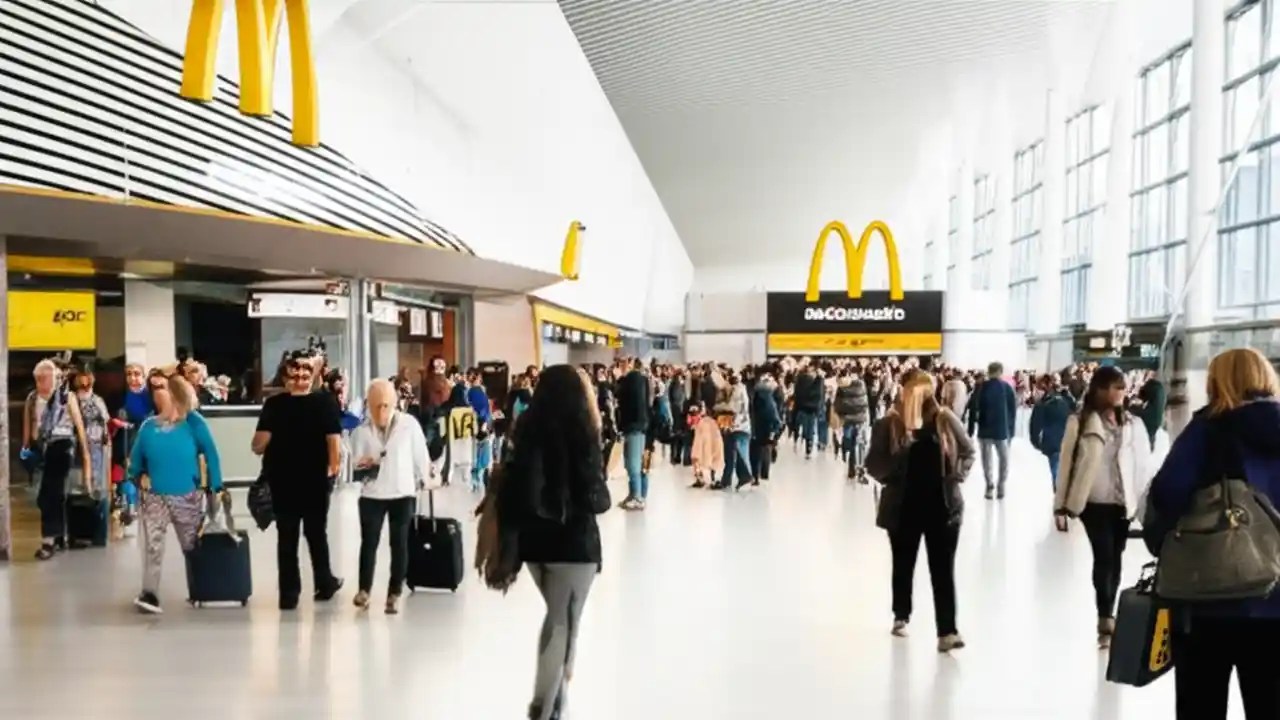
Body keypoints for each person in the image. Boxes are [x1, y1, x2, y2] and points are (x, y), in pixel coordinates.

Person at [1143, 348, 1280, 719]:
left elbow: (1167, 493)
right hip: (1276, 603)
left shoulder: (1207, 429)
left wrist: (1160, 541)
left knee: (1200, 705)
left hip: (1207, 596)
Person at [496, 365, 611, 720]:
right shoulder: (583, 431)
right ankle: (545, 705)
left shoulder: (526, 429)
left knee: (558, 615)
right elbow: (594, 494)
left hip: (534, 544)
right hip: (574, 544)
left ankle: (554, 702)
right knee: (564, 622)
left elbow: (514, 483)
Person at [866, 369, 974, 653]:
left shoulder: (944, 419)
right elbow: (874, 463)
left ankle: (947, 631)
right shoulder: (890, 423)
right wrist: (898, 464)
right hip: (903, 506)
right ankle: (901, 614)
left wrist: (956, 475)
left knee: (943, 569)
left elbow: (967, 450)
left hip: (942, 505)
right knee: (903, 563)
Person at [1053, 366, 1152, 649]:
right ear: (1100, 389)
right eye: (1115, 387)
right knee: (1104, 554)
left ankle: (1109, 609)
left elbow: (1142, 464)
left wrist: (1144, 501)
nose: (1121, 392)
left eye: (1123, 387)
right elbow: (1066, 463)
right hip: (1093, 501)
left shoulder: (1132, 423)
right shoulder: (1081, 421)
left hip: (1123, 502)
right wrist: (1061, 505)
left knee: (1116, 557)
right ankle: (1105, 615)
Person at [252, 351, 344, 610]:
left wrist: (274, 435)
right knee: (315, 534)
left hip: (284, 479)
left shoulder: (274, 405)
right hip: (311, 479)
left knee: (288, 536)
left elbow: (258, 445)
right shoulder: (324, 402)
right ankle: (323, 584)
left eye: (304, 372)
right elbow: (333, 440)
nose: (301, 377)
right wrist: (333, 470)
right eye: (299, 372)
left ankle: (289, 594)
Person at [127, 374, 223, 614]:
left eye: (163, 388)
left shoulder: (194, 423)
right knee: (152, 546)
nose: (157, 392)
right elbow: (135, 462)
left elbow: (212, 455)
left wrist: (216, 487)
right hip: (154, 496)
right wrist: (138, 477)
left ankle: (203, 588)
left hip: (186, 496)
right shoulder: (149, 427)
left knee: (191, 545)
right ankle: (149, 593)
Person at [350, 379, 431, 615]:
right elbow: (353, 463)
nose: (380, 411)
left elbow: (421, 455)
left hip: (402, 492)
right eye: (375, 405)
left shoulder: (409, 425)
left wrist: (425, 477)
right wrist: (363, 464)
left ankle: (394, 592)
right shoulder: (361, 431)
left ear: (394, 403)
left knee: (399, 543)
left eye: (385, 405)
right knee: (369, 543)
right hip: (372, 494)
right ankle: (364, 590)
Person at [30, 360, 93, 560]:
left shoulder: (66, 397)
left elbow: (79, 426)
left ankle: (49, 540)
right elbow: (34, 426)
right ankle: (58, 536)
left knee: (51, 492)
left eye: (45, 378)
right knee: (49, 495)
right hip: (44, 447)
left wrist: (85, 455)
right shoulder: (34, 398)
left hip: (62, 445)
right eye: (39, 379)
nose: (41, 382)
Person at [70, 367, 112, 548]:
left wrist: (107, 447)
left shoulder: (98, 400)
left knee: (99, 490)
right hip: (77, 449)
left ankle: (99, 534)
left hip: (98, 449)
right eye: (81, 378)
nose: (84, 382)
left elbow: (105, 425)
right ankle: (79, 534)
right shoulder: (71, 400)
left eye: (87, 378)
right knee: (77, 490)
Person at [970, 362, 1017, 499]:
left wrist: (971, 429)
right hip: (1001, 430)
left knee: (987, 460)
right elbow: (1012, 411)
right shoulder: (1007, 388)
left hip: (984, 429)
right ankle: (1001, 485)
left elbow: (973, 408)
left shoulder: (981, 387)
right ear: (1000, 372)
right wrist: (1011, 430)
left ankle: (989, 485)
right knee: (1004, 459)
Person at [1029, 374, 1074, 490]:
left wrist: (1036, 441)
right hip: (1066, 439)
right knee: (1062, 467)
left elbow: (1035, 425)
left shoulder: (1043, 404)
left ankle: (1059, 489)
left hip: (1052, 441)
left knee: (1056, 467)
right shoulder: (1063, 399)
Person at [616, 359, 651, 510]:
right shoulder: (643, 380)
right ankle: (638, 494)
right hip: (643, 427)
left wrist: (620, 378)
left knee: (633, 464)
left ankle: (636, 496)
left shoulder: (631, 380)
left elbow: (620, 396)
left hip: (633, 426)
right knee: (640, 463)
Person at [835, 369, 871, 481]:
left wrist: (842, 416)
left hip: (848, 420)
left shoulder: (843, 386)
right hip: (860, 420)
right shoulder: (862, 386)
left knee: (850, 444)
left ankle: (851, 468)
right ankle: (859, 467)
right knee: (859, 444)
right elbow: (865, 404)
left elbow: (838, 405)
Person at [749, 371, 783, 483]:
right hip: (767, 429)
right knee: (765, 450)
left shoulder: (754, 397)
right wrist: (775, 429)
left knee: (754, 452)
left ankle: (755, 475)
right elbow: (774, 416)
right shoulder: (769, 399)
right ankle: (764, 474)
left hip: (755, 429)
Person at [793, 363, 823, 458]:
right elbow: (819, 396)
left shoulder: (800, 380)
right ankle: (808, 449)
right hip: (812, 409)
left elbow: (797, 394)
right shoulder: (816, 382)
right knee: (810, 429)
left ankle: (801, 441)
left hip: (802, 408)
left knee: (805, 427)